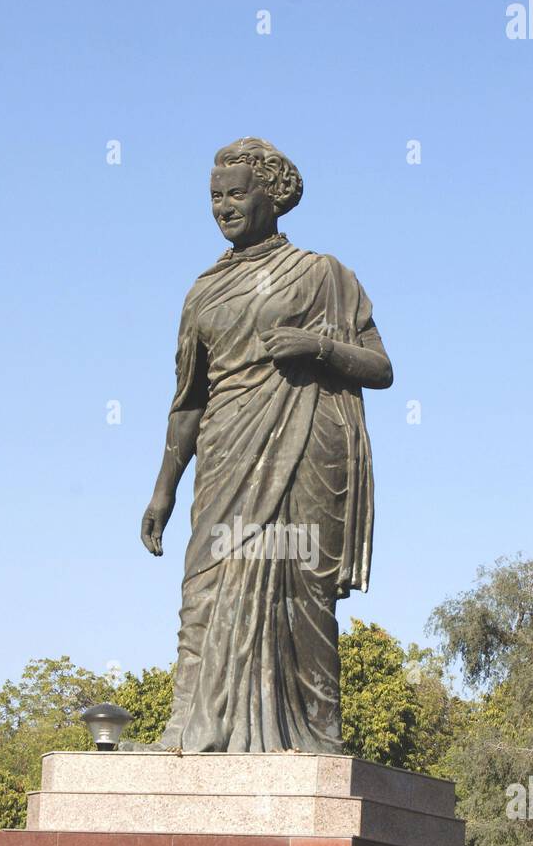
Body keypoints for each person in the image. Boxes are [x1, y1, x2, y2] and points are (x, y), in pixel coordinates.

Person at [141, 137, 392, 752]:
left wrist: (321, 349)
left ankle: (316, 736)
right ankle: (186, 727)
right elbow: (188, 403)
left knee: (303, 587)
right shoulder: (201, 292)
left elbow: (381, 368)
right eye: (214, 197)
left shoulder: (324, 275)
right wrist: (162, 492)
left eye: (236, 193)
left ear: (272, 195)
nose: (223, 206)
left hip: (304, 444)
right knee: (203, 582)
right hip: (226, 451)